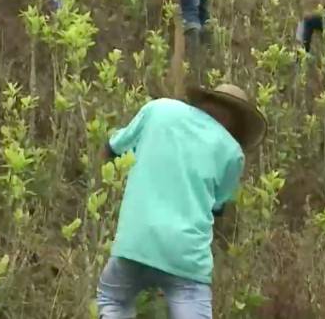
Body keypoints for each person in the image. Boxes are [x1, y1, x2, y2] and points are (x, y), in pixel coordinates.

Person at [95, 83, 267, 319]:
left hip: (135, 243)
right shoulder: (232, 151)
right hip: (187, 255)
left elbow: (112, 148)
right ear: (236, 122)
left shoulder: (159, 109)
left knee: (113, 299)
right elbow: (218, 207)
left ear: (205, 101)